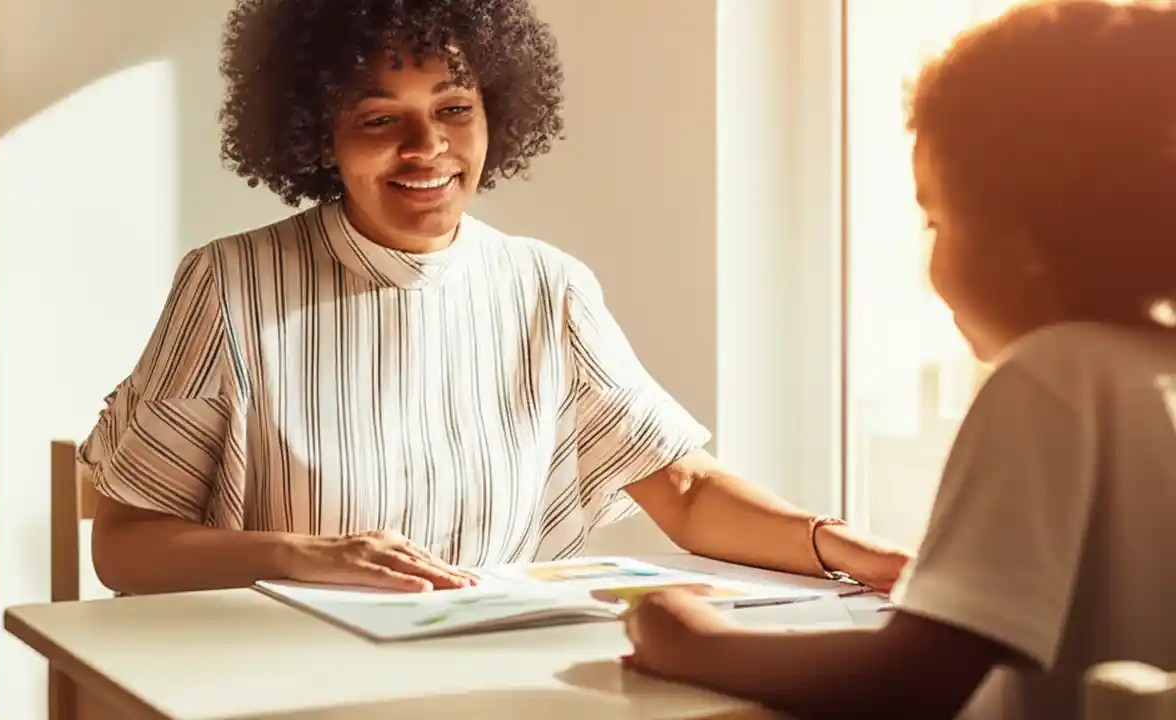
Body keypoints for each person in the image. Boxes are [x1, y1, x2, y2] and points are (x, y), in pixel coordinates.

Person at [83, 0, 907, 598]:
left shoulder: (548, 287)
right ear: (317, 137)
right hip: (285, 679)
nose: (427, 147)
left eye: (454, 109)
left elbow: (685, 492)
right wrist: (302, 555)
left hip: (490, 673)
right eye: (380, 120)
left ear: (495, 116)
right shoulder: (229, 282)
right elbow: (126, 547)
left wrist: (838, 546)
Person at [620, 1, 1176, 717]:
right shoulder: (1151, 373)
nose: (927, 261)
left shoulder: (1052, 379)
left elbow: (913, 680)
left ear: (1019, 248)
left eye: (935, 219)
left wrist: (691, 640)